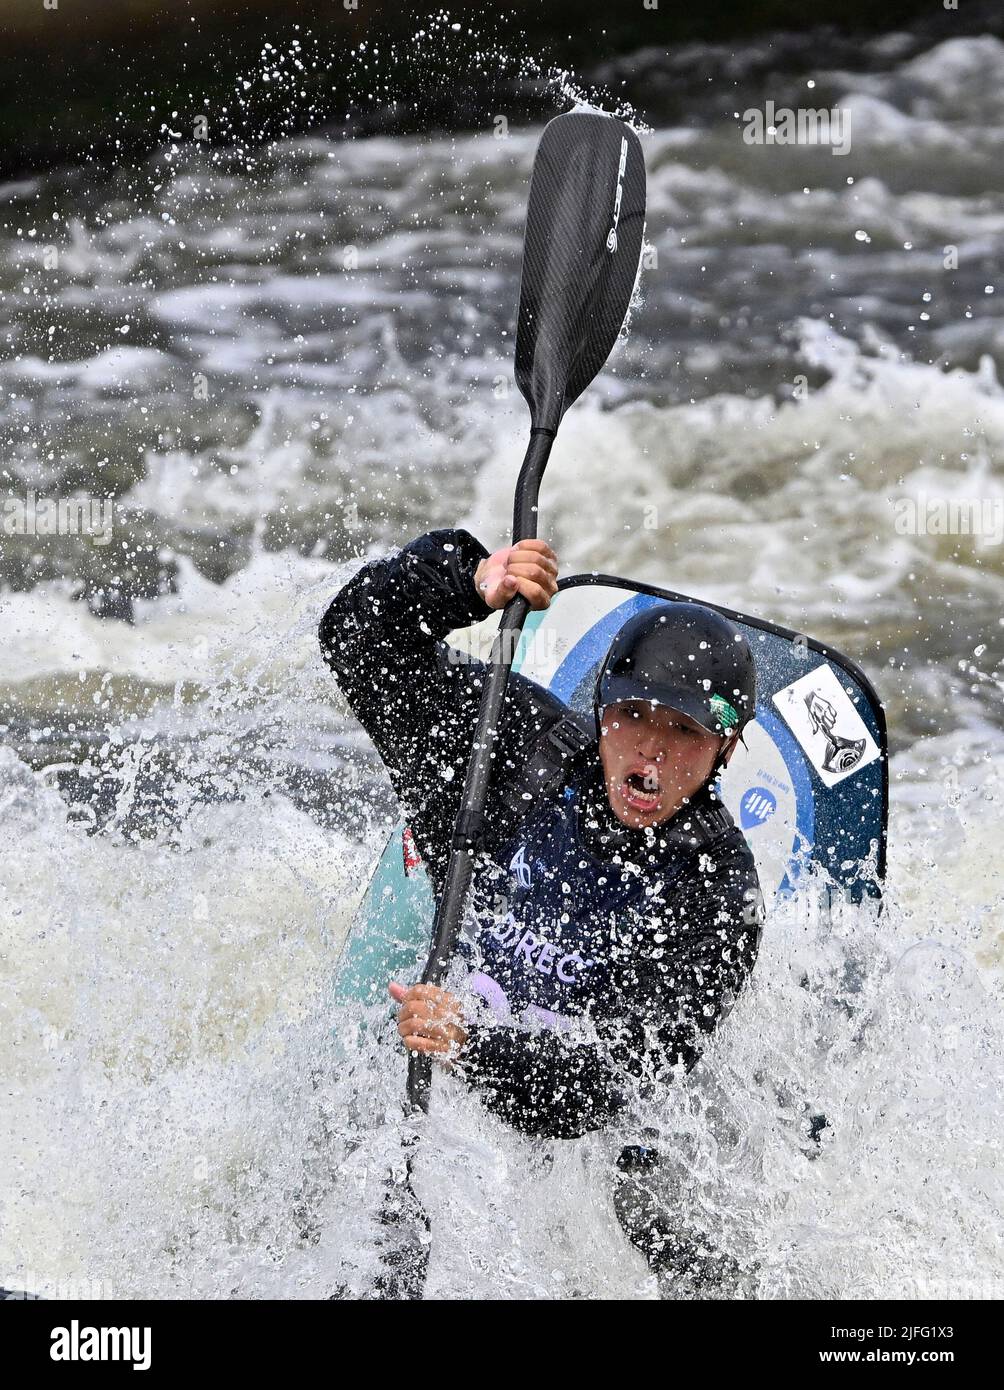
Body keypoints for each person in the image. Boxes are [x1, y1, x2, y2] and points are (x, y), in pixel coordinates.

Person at [319, 528, 764, 1295]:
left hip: (590, 1154)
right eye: (635, 717)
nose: (651, 756)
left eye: (684, 732)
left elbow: (608, 1085)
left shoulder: (718, 895)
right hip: (425, 1088)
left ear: (726, 750)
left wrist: (472, 1043)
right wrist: (466, 585)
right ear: (601, 710)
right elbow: (354, 640)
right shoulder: (508, 745)